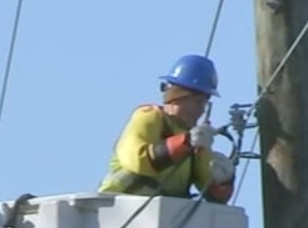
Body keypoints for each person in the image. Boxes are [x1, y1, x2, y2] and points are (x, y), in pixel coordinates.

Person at [97, 54, 237, 203]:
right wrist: (185, 142)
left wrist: (224, 180)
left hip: (162, 219)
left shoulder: (196, 141)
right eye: (197, 102)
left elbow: (214, 196)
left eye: (204, 104)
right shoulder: (150, 117)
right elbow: (139, 160)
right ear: (177, 96)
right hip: (116, 212)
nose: (201, 110)